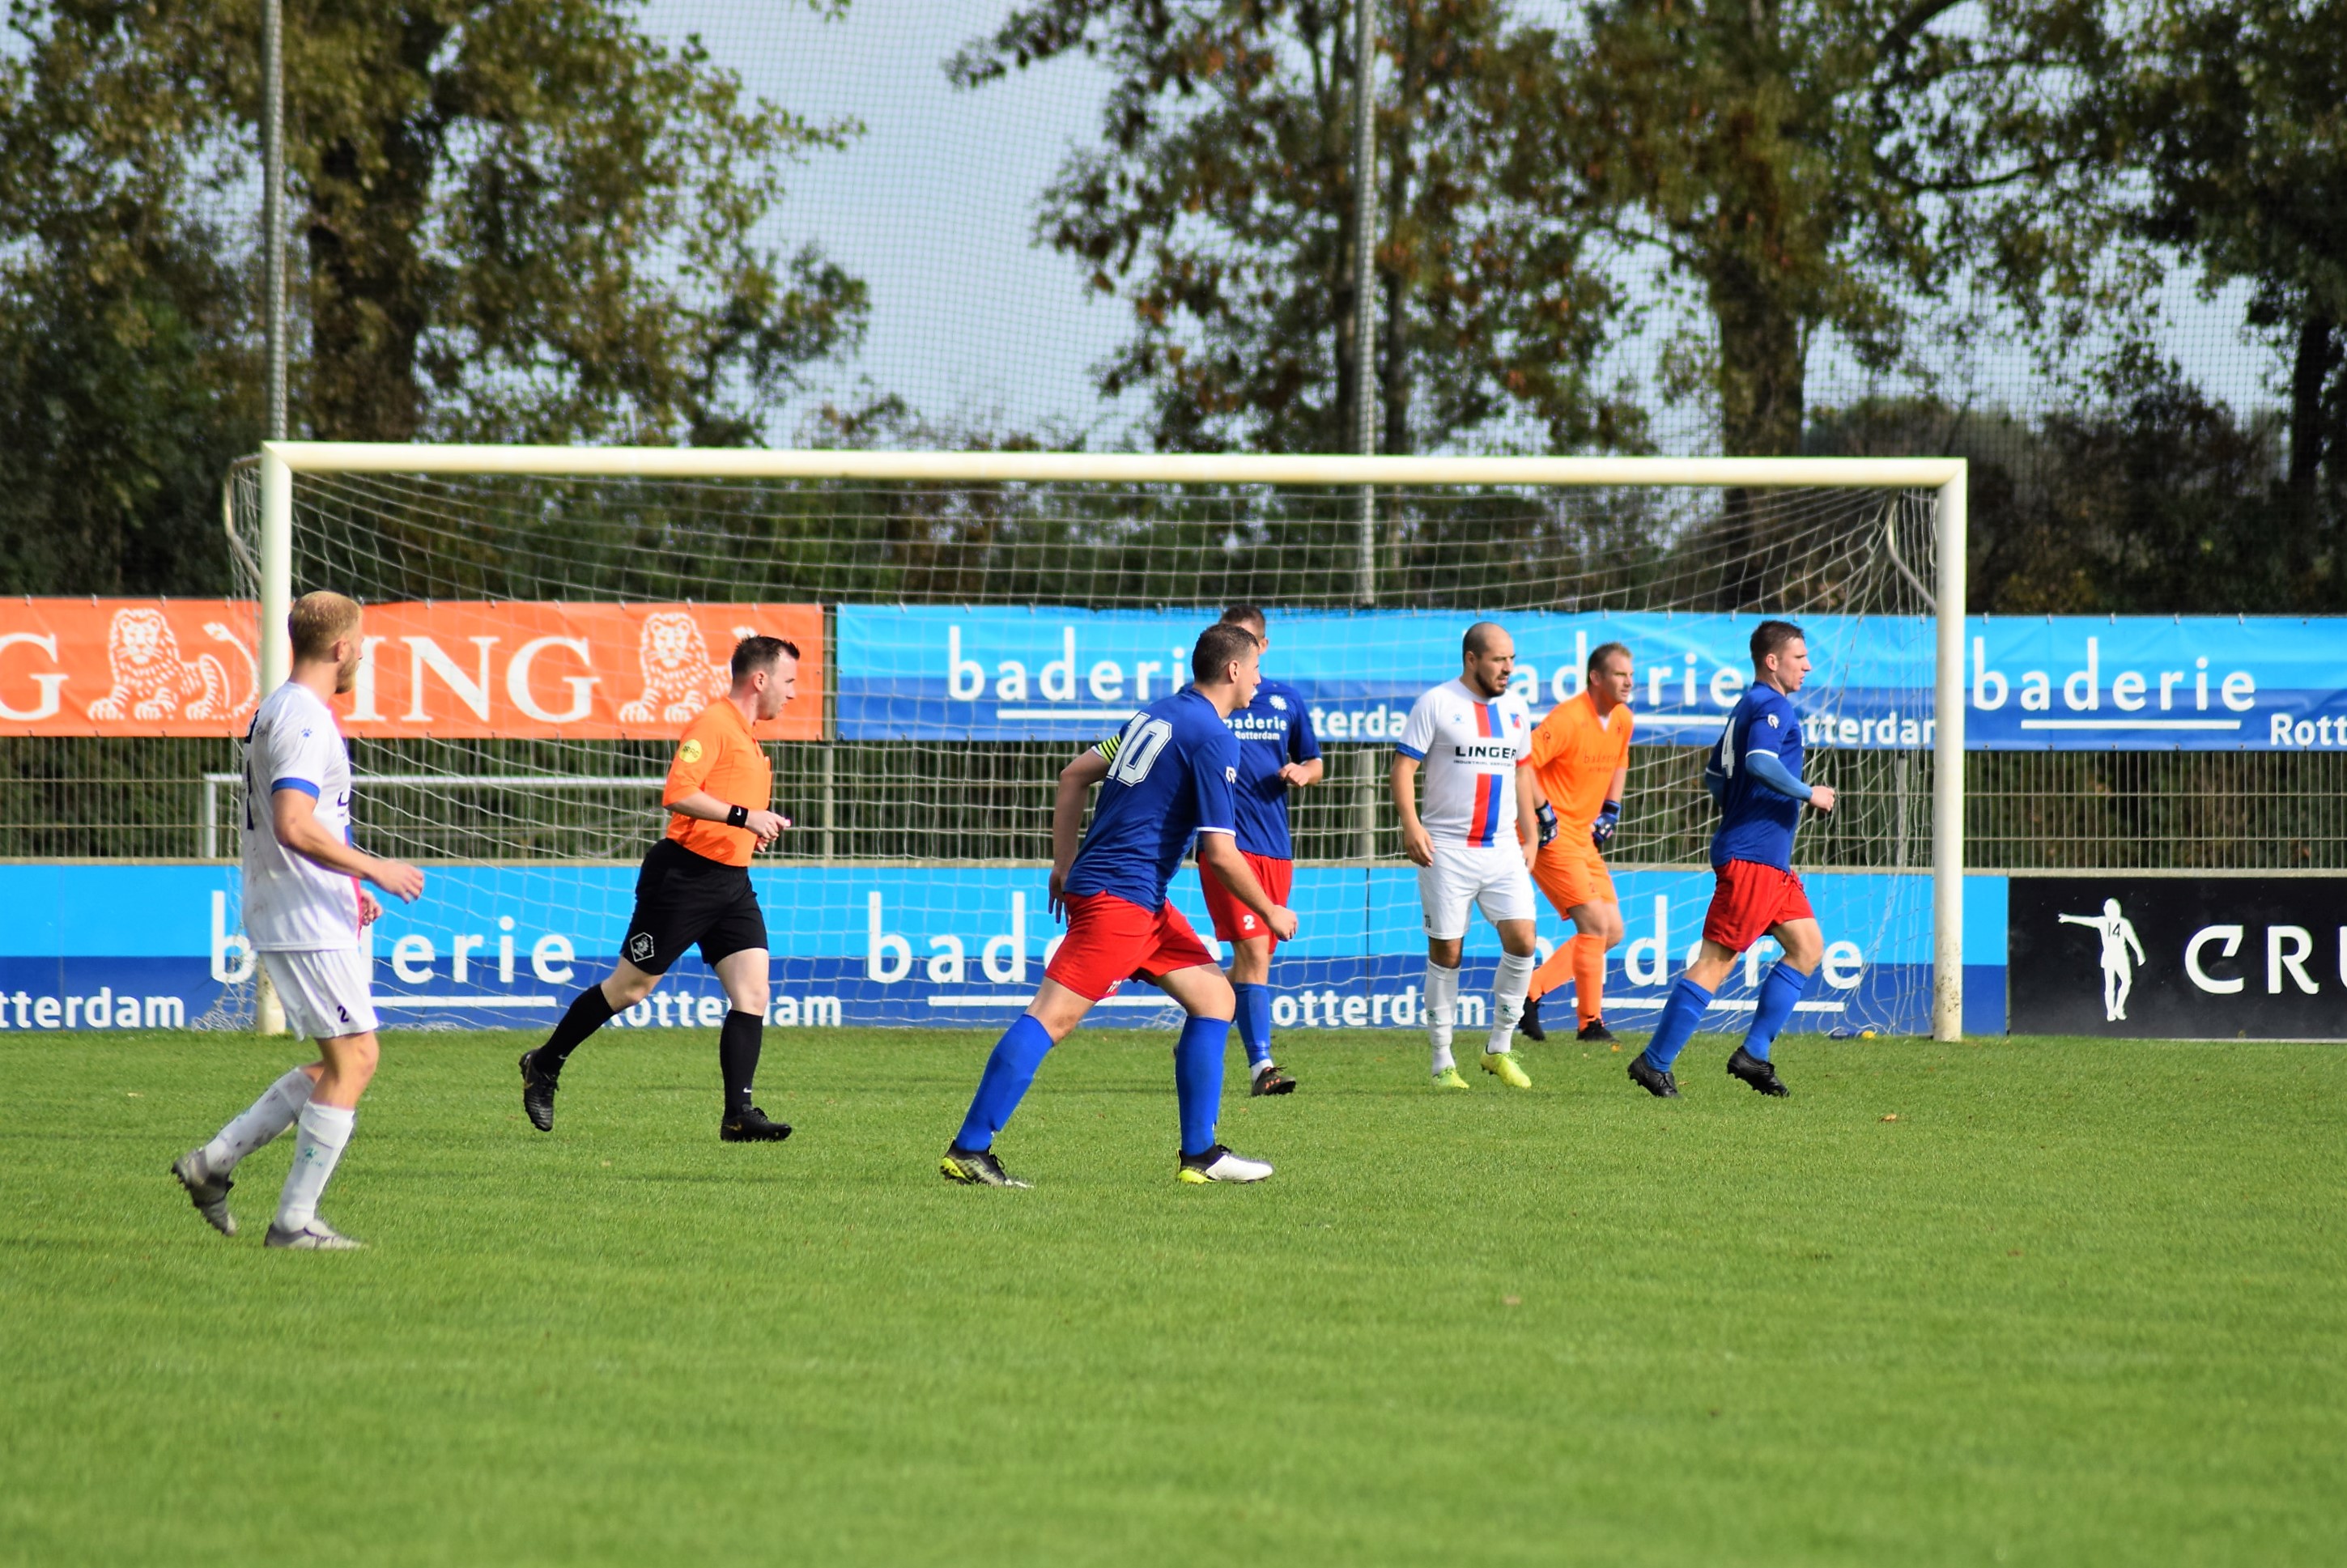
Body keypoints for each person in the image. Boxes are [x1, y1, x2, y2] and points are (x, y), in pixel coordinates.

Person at [940, 623, 1297, 1188]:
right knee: (1050, 1017)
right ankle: (970, 1148)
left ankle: (1200, 1153)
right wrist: (1270, 909)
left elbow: (1073, 774)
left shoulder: (1155, 715)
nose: (1260, 677)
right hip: (1120, 897)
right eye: (1254, 667)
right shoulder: (1213, 736)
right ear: (1232, 670)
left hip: (1134, 898)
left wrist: (1063, 864)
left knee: (1215, 996)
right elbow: (1221, 853)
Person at [170, 591, 424, 1250]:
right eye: (361, 643)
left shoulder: (283, 709)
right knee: (358, 1058)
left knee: (334, 1065)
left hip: (307, 904)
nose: (363, 653)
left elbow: (315, 821)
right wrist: (372, 867)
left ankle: (214, 1162)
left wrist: (346, 880)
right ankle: (292, 1221)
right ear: (340, 647)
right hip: (300, 914)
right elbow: (292, 822)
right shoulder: (305, 719)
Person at [517, 636, 799, 1141]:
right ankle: (544, 1063)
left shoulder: (749, 738)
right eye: (790, 681)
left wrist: (752, 830)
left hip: (731, 883)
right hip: (684, 879)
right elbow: (679, 793)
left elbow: (727, 808)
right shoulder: (713, 725)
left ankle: (739, 1115)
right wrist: (746, 816)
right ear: (761, 680)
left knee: (753, 991)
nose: (793, 693)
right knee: (631, 989)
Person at [1629, 619, 1837, 1099]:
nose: (1807, 665)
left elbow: (1714, 778)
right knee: (1716, 962)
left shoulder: (1747, 704)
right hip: (1752, 860)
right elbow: (1759, 764)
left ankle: (1754, 1054)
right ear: (1772, 661)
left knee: (1807, 947)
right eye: (1799, 657)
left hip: (1768, 860)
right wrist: (1810, 795)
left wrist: (1755, 825)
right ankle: (1654, 1063)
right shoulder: (1773, 705)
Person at [1392, 622, 1540, 1090]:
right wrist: (1412, 826)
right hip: (1446, 849)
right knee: (1448, 953)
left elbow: (1522, 774)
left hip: (1501, 849)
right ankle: (1442, 1062)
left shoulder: (1516, 709)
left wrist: (1531, 835)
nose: (1508, 669)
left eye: (1512, 659)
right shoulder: (1436, 703)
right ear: (1472, 659)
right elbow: (1402, 768)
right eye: (1499, 659)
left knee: (1523, 941)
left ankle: (1499, 1049)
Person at [1195, 606, 1321, 1094]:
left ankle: (1199, 1026)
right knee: (1252, 954)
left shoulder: (1285, 701)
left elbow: (1314, 761)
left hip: (1276, 847)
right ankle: (1261, 1068)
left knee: (1255, 963)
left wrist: (1303, 773)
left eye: (1245, 643)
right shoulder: (1206, 706)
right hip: (1226, 846)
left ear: (1261, 648)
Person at [1518, 641, 1635, 1044]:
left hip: (1583, 835)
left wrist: (1611, 810)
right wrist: (1543, 811)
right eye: (1620, 674)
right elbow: (1523, 759)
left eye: (1631, 675)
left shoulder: (1622, 719)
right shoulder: (1568, 719)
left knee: (1613, 930)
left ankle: (1528, 994)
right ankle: (1590, 1024)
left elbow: (1620, 761)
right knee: (1594, 923)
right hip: (1550, 833)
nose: (1628, 682)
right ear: (1596, 678)